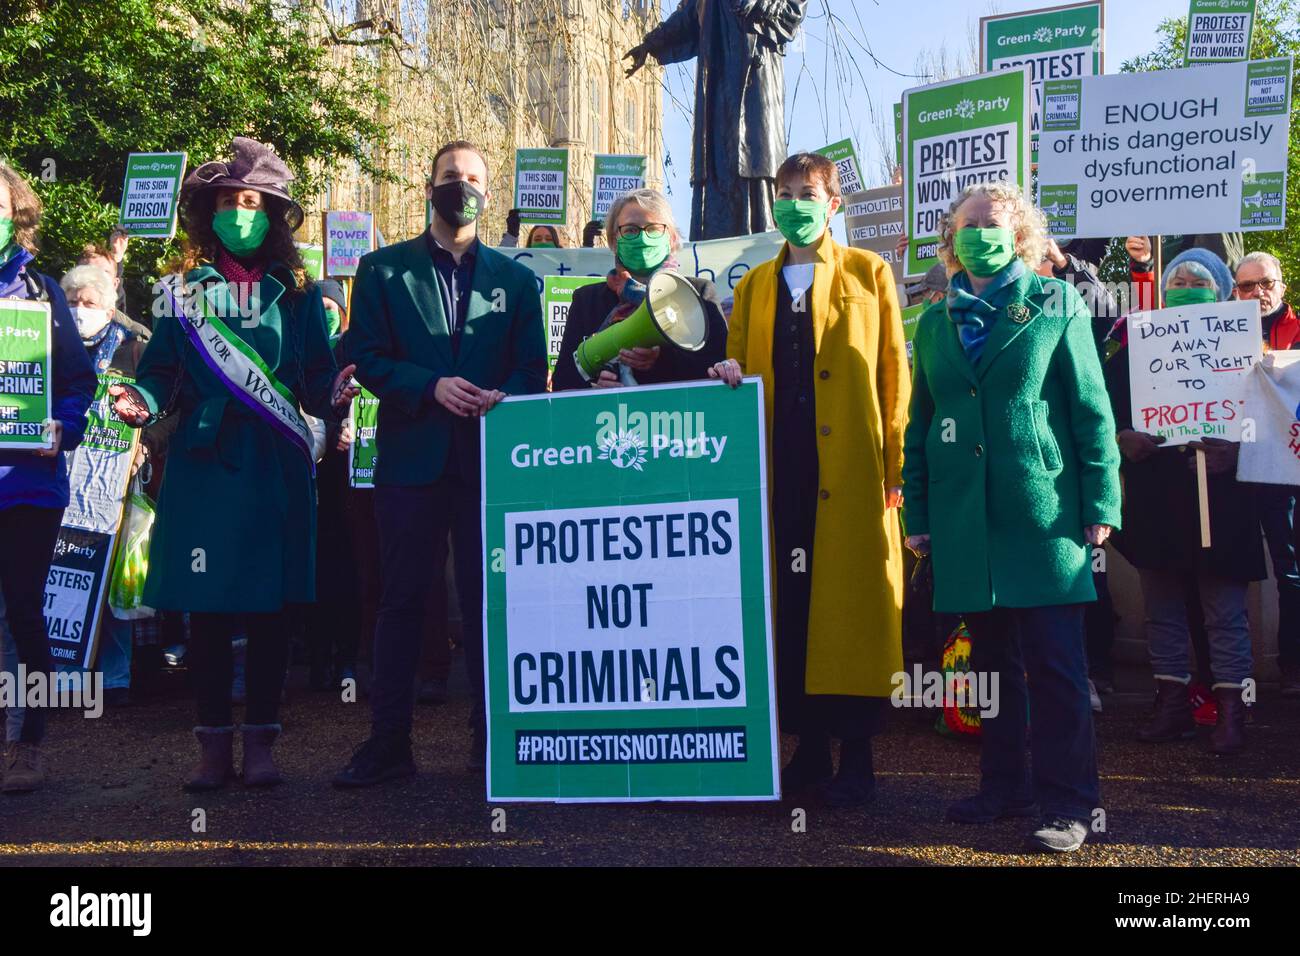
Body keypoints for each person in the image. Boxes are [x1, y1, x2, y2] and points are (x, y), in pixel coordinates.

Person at [110, 138, 357, 790]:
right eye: (228, 202)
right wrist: (142, 399)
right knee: (210, 610)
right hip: (206, 465)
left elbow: (318, 381)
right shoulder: (181, 293)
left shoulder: (300, 294)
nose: (240, 212)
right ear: (208, 212)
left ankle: (263, 744)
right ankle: (212, 746)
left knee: (271, 610)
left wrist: (338, 394)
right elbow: (161, 373)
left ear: (271, 214)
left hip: (275, 466)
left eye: (252, 202)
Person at [902, 180, 1121, 853]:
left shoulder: (1055, 304)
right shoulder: (935, 320)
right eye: (968, 223)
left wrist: (1103, 501)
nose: (980, 232)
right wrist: (918, 508)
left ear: (1020, 232)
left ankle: (1069, 804)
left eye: (994, 222)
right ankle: (1004, 788)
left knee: (1056, 666)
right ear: (950, 236)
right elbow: (922, 425)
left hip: (1044, 516)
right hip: (967, 521)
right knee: (990, 667)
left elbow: (1091, 410)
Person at [336, 140, 546, 787]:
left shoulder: (516, 280)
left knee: (490, 604)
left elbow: (529, 367)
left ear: (490, 191)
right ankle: (388, 743)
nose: (463, 186)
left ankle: (491, 746)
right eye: (452, 177)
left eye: (475, 178)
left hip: (490, 462)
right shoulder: (381, 270)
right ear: (430, 187)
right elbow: (363, 355)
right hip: (411, 460)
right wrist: (428, 386)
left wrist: (501, 396)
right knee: (402, 601)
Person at [710, 152, 909, 806]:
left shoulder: (868, 272)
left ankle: (858, 755)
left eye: (808, 192)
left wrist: (897, 467)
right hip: (781, 467)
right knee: (792, 607)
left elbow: (893, 375)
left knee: (850, 610)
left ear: (834, 203)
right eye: (785, 194)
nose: (795, 203)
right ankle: (808, 749)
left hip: (851, 469)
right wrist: (729, 373)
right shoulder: (755, 287)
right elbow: (735, 362)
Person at [1106, 248, 1262, 755]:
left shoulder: (1250, 352)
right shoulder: (1132, 352)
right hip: (1158, 500)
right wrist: (1123, 438)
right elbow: (1098, 414)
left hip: (1224, 501)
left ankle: (1233, 713)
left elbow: (1278, 426)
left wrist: (1239, 449)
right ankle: (1171, 704)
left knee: (1224, 612)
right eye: (1178, 280)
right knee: (1163, 609)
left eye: (1198, 280)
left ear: (1219, 288)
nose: (1187, 287)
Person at [0, 161, 97, 793]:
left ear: (16, 214)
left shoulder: (40, 294)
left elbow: (77, 383)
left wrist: (64, 425)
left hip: (26, 485)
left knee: (21, 613)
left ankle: (28, 741)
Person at [59, 264, 175, 706]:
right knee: (69, 575)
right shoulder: (57, 353)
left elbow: (170, 412)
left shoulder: (136, 354)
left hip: (118, 488)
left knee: (113, 583)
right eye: (72, 302)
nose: (79, 311)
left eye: (89, 304)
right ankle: (68, 677)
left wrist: (146, 444)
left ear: (110, 309)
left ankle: (115, 678)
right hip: (65, 485)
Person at [552, 188, 726, 392]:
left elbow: (717, 370)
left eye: (653, 229)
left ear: (671, 238)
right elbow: (563, 381)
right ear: (613, 240)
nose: (643, 237)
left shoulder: (699, 293)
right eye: (631, 230)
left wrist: (660, 360)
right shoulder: (586, 301)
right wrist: (593, 384)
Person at [1233, 251, 1300, 698]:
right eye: (1247, 286)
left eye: (1266, 283)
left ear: (1283, 286)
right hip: (1229, 469)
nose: (1258, 293)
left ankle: (1293, 669)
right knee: (1225, 573)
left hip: (1284, 471)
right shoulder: (1217, 329)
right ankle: (1229, 680)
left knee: (1291, 571)